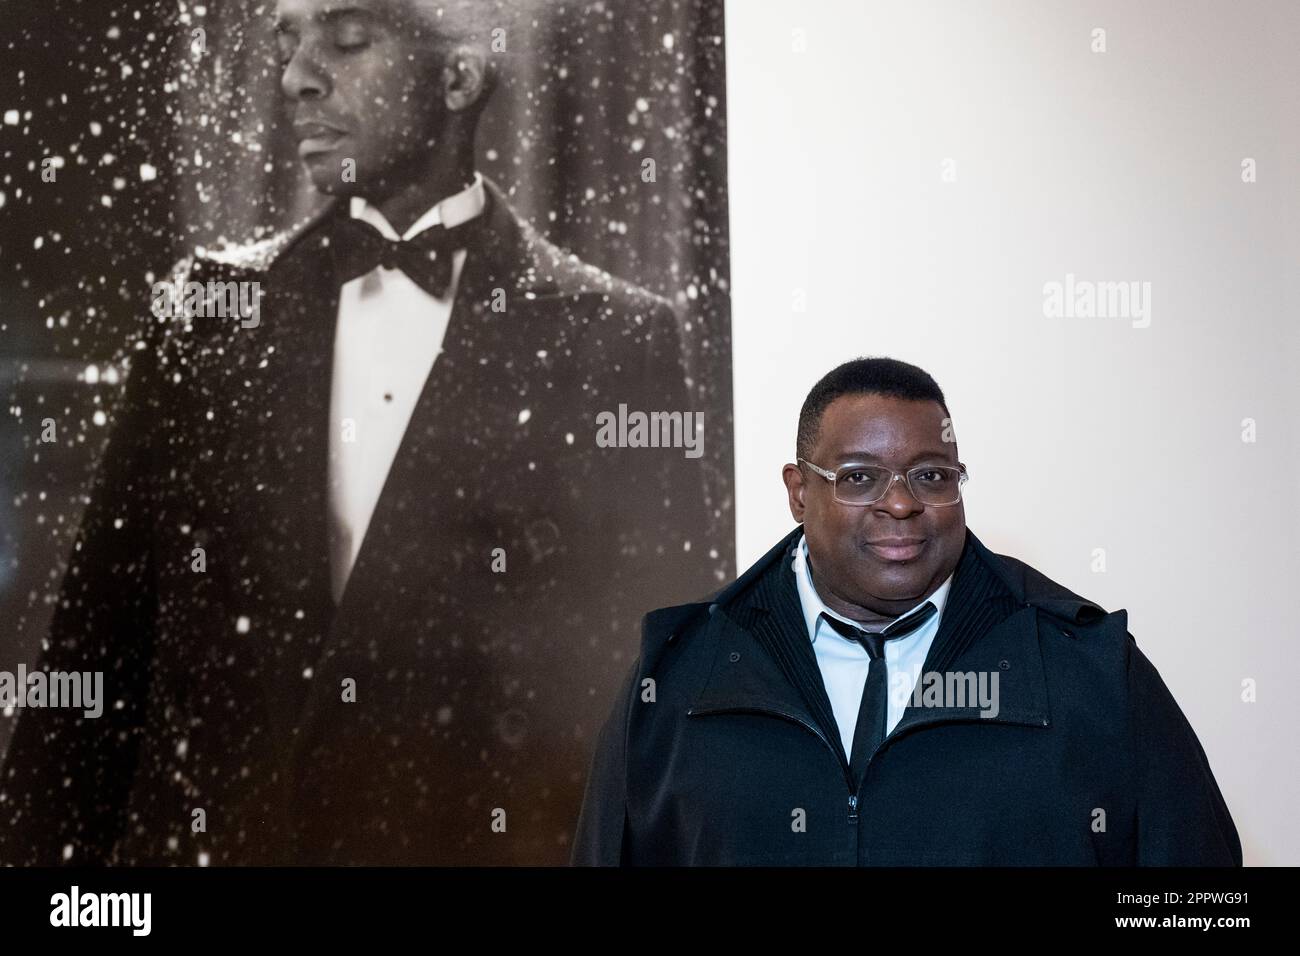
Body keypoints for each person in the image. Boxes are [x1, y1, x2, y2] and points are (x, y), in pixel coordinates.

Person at [0, 0, 716, 865]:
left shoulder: (615, 339)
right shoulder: (202, 315)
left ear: (459, 76)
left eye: (345, 40)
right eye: (287, 45)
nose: (296, 77)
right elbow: (93, 663)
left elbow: (662, 710)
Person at [572, 357, 1242, 865]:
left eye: (931, 475)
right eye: (859, 477)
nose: (901, 504)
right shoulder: (679, 677)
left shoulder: (1089, 669)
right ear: (799, 492)